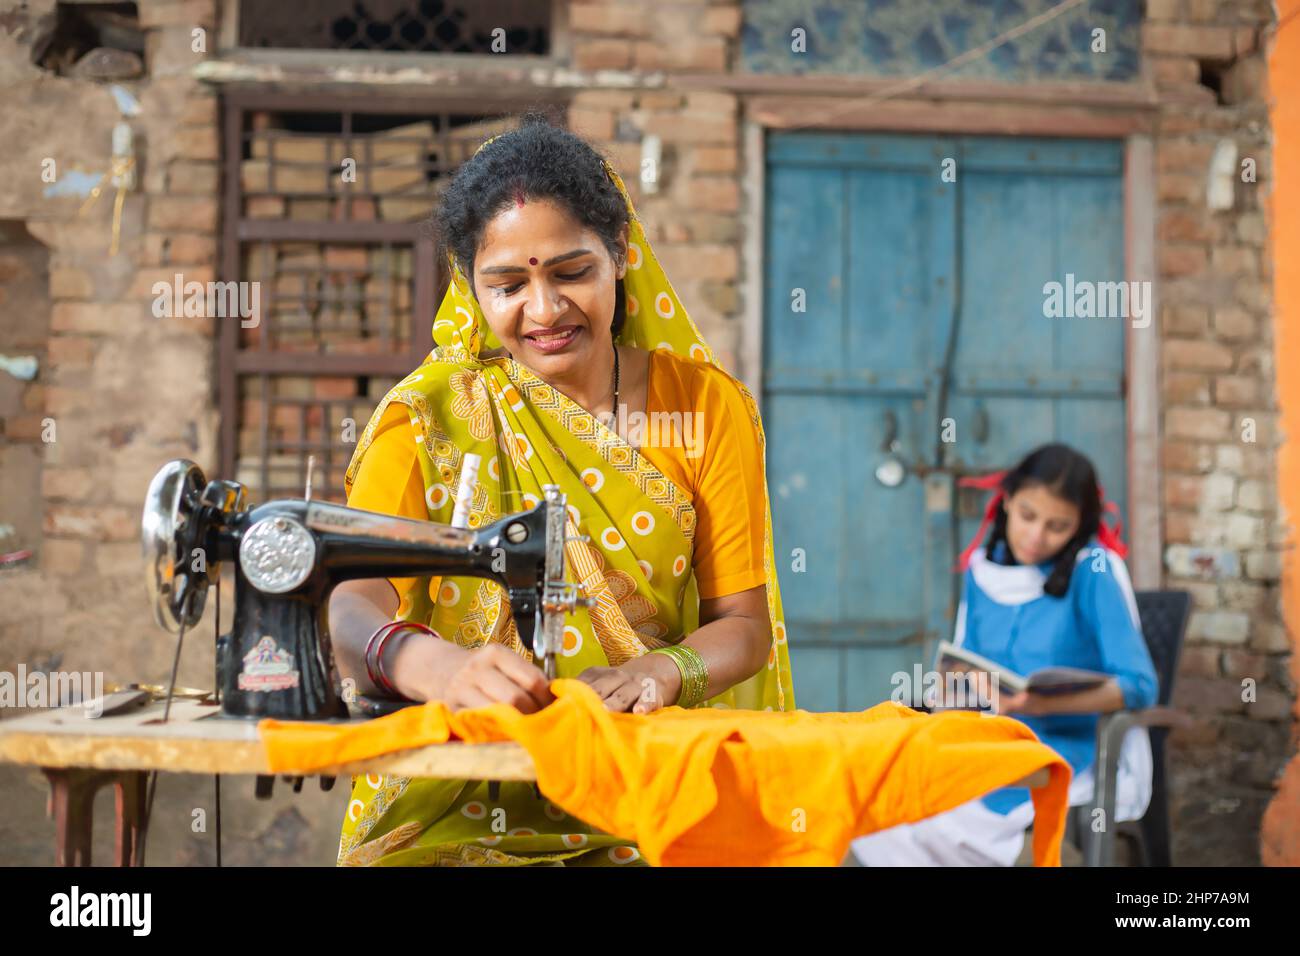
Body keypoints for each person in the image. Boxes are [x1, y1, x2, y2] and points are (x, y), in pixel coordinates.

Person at [327, 115, 796, 866]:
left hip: (642, 786)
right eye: (508, 285)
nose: (543, 311)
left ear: (620, 257)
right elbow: (349, 602)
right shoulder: (432, 419)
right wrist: (435, 668)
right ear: (470, 286)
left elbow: (743, 625)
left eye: (572, 273)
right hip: (458, 796)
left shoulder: (705, 408)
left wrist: (663, 669)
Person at [849, 443, 1158, 866]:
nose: (1036, 536)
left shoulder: (1094, 571)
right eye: (1028, 516)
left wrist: (1042, 702)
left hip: (1066, 749)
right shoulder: (983, 572)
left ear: (1080, 526)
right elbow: (967, 668)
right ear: (1007, 501)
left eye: (1058, 526)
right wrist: (948, 695)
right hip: (989, 741)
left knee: (938, 818)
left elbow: (1139, 685)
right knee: (880, 804)